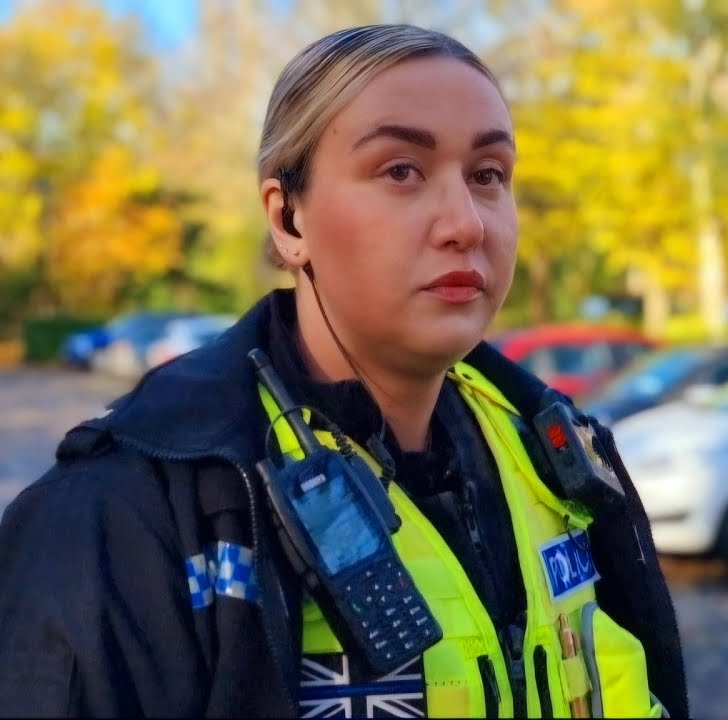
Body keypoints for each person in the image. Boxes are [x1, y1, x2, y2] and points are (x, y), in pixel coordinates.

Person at [0, 25, 686, 718]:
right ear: (288, 219)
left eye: (487, 176)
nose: (466, 224)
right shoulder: (123, 513)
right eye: (401, 171)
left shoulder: (561, 461)